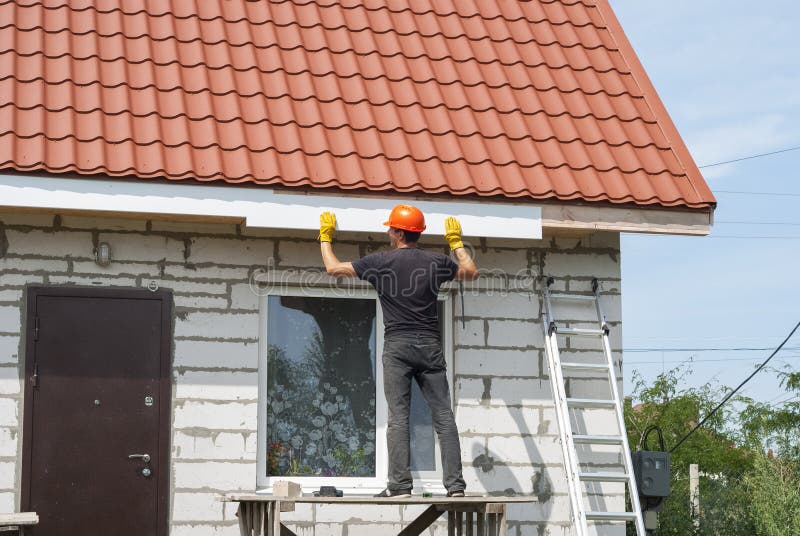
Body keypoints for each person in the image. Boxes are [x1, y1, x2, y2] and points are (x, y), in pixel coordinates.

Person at [318, 204, 479, 498]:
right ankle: (455, 487)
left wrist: (325, 238)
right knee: (443, 415)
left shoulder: (380, 262)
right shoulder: (436, 262)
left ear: (395, 231)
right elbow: (470, 272)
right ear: (418, 233)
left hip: (398, 347)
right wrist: (456, 243)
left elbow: (333, 268)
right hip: (430, 344)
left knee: (398, 416)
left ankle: (400, 486)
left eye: (389, 228)